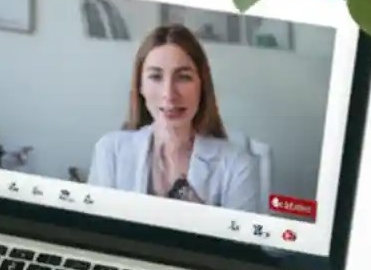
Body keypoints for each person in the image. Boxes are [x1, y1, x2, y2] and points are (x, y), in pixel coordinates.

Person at [87, 24, 260, 211]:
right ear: (140, 86)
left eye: (183, 77)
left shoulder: (237, 165)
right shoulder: (110, 151)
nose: (169, 94)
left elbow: (238, 239)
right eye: (156, 77)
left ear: (202, 86)